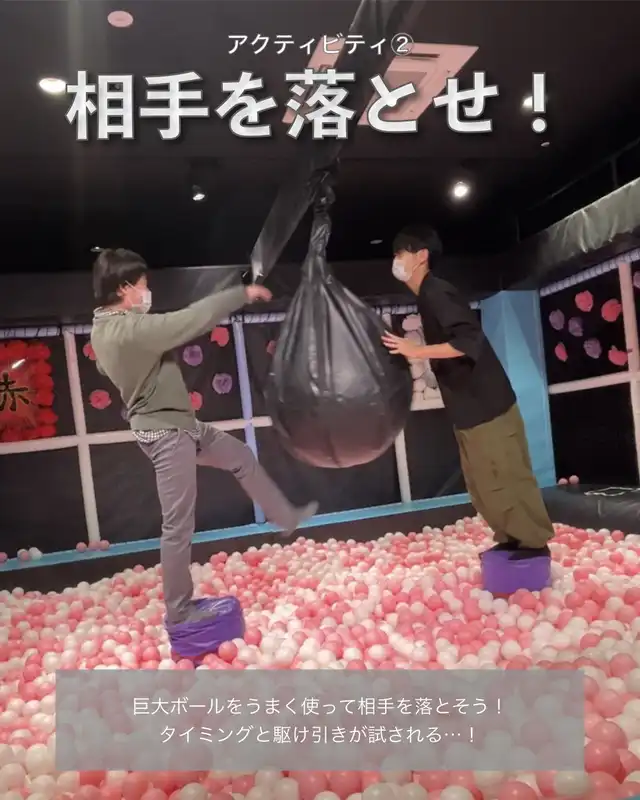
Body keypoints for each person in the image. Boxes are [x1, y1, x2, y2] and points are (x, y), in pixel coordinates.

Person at [90, 249, 317, 625]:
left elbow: (103, 363)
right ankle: (179, 611)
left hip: (180, 425)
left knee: (240, 456)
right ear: (125, 288)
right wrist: (240, 294)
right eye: (143, 285)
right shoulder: (130, 330)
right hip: (167, 433)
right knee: (177, 525)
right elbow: (190, 319)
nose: (147, 291)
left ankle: (285, 516)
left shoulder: (104, 328)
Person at [382, 225, 553, 560]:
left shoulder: (437, 291)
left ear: (421, 256)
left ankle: (533, 544)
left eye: (400, 253)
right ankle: (512, 539)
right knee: (483, 484)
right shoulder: (426, 298)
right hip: (468, 411)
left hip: (488, 407)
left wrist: (416, 350)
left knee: (506, 476)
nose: (396, 260)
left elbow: (468, 340)